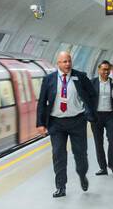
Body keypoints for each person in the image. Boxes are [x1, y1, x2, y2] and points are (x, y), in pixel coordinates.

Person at [35, 50, 98, 198]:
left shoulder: (80, 77)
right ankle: (61, 186)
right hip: (56, 123)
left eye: (69, 61)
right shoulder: (49, 80)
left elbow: (92, 95)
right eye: (64, 62)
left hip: (77, 121)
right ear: (58, 63)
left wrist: (89, 111)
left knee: (80, 154)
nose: (68, 64)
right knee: (58, 155)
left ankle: (82, 175)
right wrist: (40, 123)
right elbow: (42, 103)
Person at [90, 60, 113, 175]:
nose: (106, 71)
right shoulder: (92, 83)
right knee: (98, 143)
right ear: (99, 70)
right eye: (104, 69)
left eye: (108, 69)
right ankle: (103, 167)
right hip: (96, 117)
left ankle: (111, 164)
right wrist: (88, 115)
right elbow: (87, 101)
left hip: (110, 116)